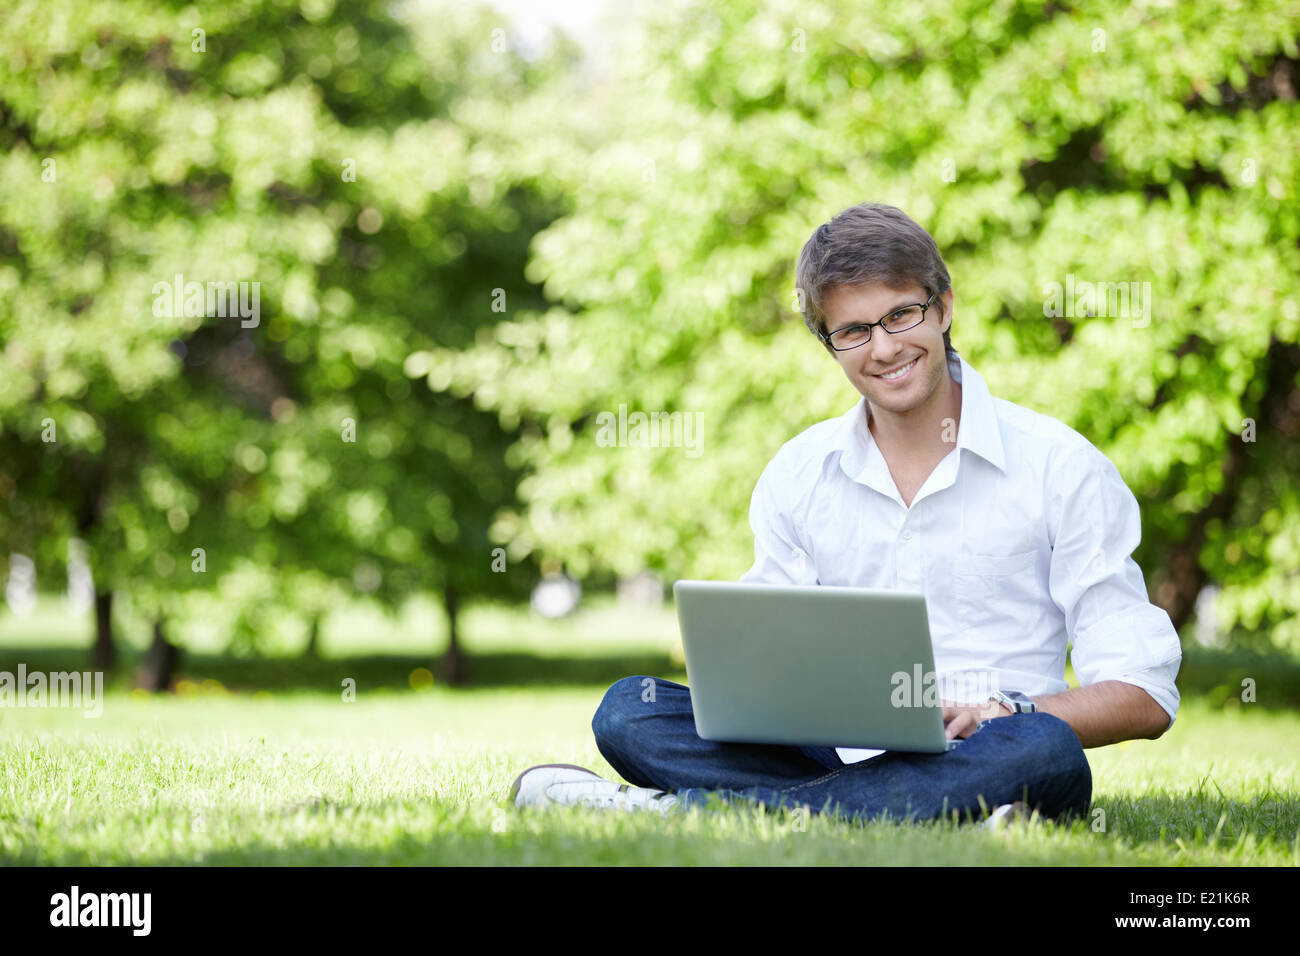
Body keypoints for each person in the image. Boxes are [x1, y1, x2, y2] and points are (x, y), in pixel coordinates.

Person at [508, 202, 1182, 827]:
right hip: (827, 753)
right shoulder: (799, 472)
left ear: (943, 306)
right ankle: (912, 812)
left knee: (1046, 751)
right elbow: (760, 665)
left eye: (900, 316)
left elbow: (1144, 693)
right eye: (854, 331)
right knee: (630, 710)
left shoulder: (1061, 466)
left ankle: (688, 809)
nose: (884, 349)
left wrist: (1005, 710)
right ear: (828, 342)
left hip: (989, 751)